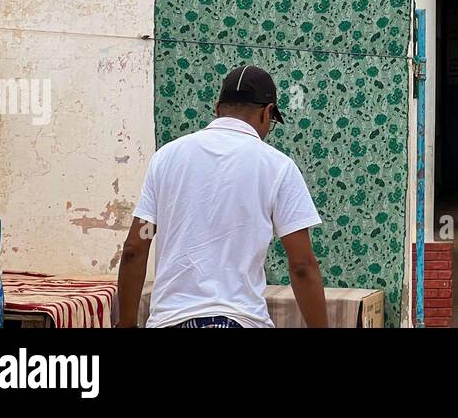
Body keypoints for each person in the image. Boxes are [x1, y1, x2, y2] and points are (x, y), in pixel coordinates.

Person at [116, 64, 328, 328]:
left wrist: (125, 325)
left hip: (170, 320)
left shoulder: (166, 159)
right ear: (268, 112)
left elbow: (135, 249)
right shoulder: (277, 167)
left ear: (217, 109)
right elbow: (302, 265)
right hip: (242, 320)